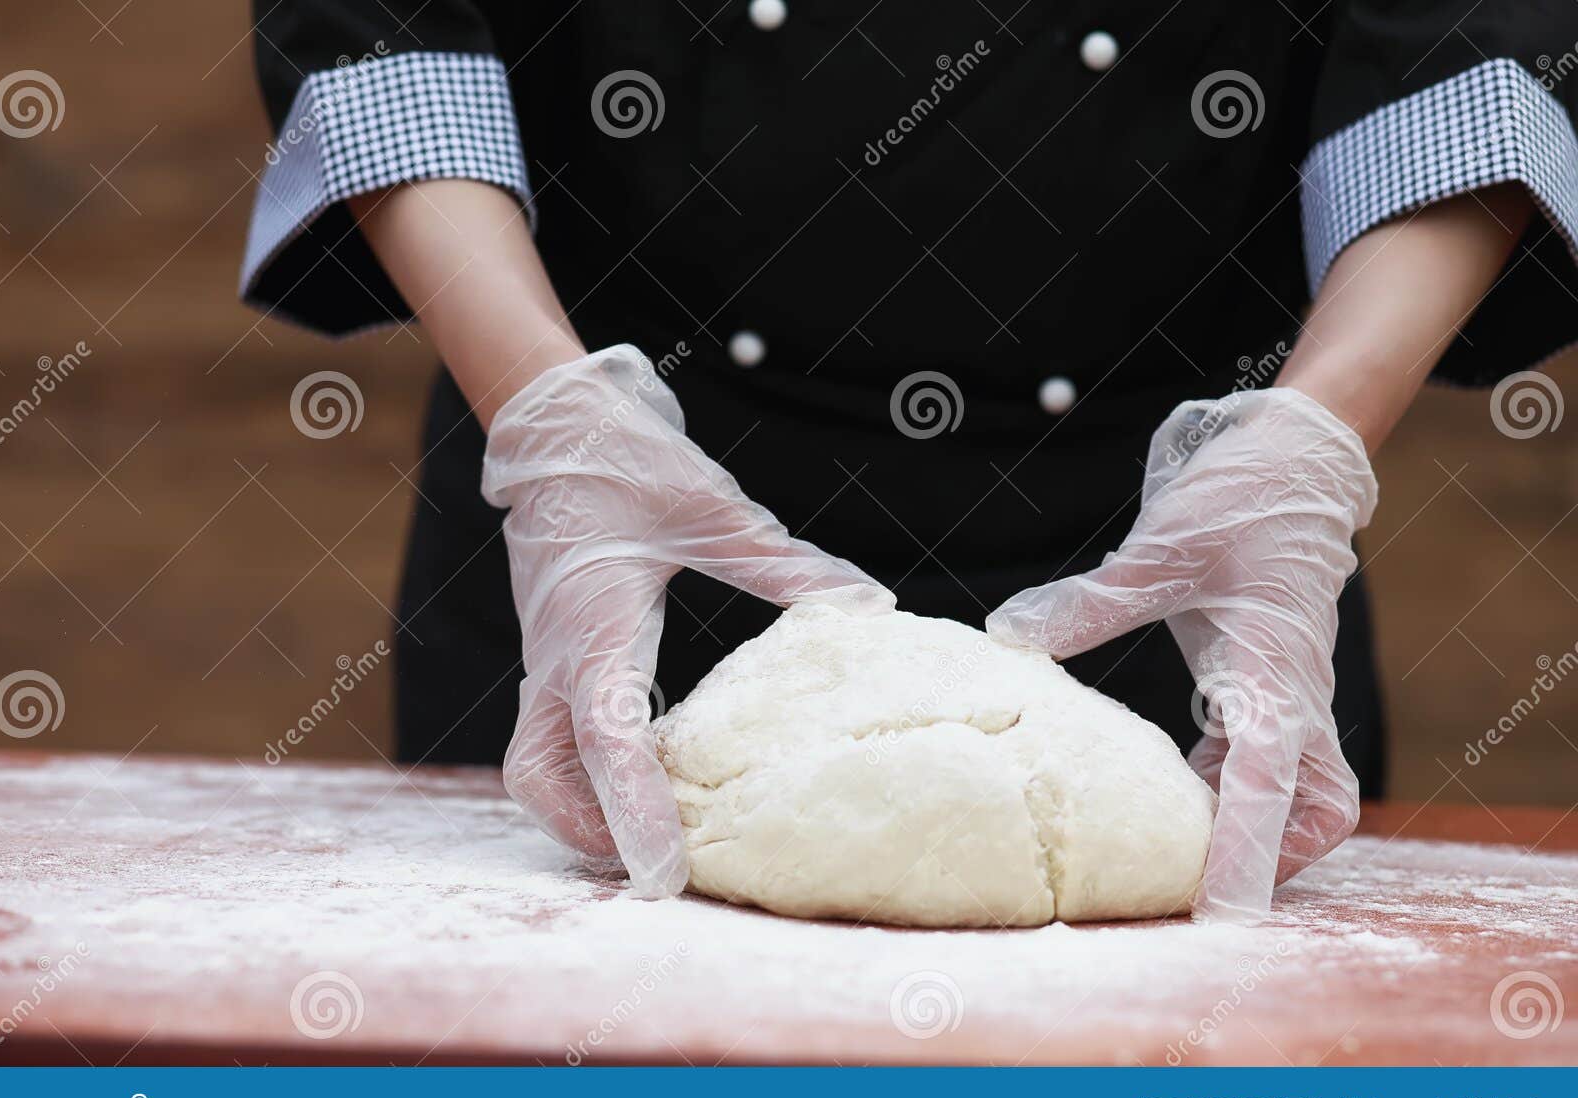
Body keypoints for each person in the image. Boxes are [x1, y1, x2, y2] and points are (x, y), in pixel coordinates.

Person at [240, 2, 1578, 922]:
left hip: (1178, 554)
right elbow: (382, 23)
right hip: (618, 518)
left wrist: (1311, 438)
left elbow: (1467, 45)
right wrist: (548, 413)